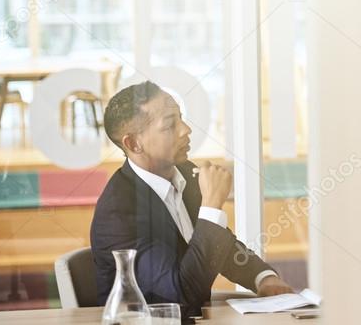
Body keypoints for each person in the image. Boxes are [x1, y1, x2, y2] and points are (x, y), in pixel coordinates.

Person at [90, 81, 294, 317]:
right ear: (134, 143)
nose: (186, 129)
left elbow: (218, 246)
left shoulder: (185, 172)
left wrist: (263, 278)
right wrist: (211, 206)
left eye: (181, 117)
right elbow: (180, 298)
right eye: (169, 125)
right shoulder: (119, 211)